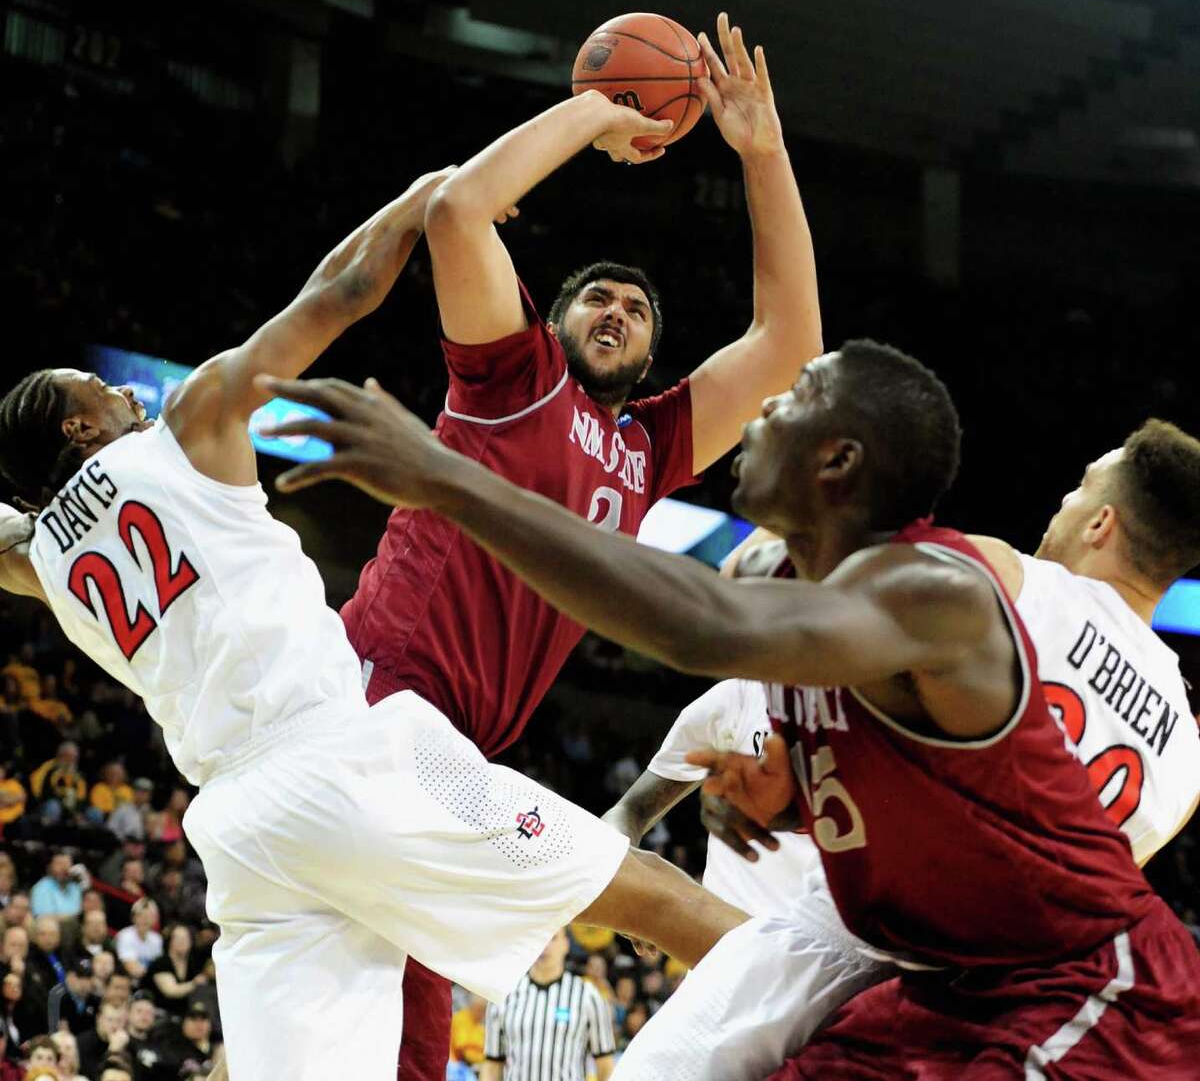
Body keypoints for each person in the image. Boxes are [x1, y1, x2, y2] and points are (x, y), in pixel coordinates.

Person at [261, 347, 1200, 1078]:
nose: (761, 412)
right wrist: (810, 790)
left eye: (790, 403)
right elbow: (997, 832)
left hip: (1031, 995)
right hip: (938, 982)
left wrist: (449, 478)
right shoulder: (1184, 753)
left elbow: (706, 624)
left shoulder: (972, 581)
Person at [0, 168, 745, 1080]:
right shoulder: (185, 428)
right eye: (96, 389)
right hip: (348, 752)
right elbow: (344, 287)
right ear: (79, 427)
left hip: (238, 834)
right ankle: (863, 1037)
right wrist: (432, 194)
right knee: (656, 897)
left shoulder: (37, 562)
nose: (123, 394)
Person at [339, 14, 820, 1080]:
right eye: (596, 295)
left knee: (403, 1037)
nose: (617, 309)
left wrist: (763, 152)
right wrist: (603, 112)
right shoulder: (512, 376)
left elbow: (790, 347)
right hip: (380, 699)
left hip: (453, 738)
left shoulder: (649, 445)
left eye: (638, 306)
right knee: (670, 907)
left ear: (654, 348)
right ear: (549, 318)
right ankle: (875, 1043)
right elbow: (459, 206)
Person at [603, 475, 1200, 1080]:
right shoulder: (1185, 757)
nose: (1060, 501)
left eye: (1077, 488)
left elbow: (776, 597)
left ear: (1100, 522)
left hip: (838, 939)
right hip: (949, 1016)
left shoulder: (1009, 579)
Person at [481, 930, 615, 1081]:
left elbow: (605, 1066)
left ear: (566, 944)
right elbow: (492, 1065)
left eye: (552, 938)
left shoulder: (588, 996)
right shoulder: (504, 995)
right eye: (538, 938)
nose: (544, 946)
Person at [29, 742, 86, 823]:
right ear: (60, 755)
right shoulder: (48, 768)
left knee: (93, 813)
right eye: (67, 756)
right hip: (45, 806)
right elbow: (43, 793)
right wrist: (69, 811)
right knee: (53, 806)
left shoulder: (77, 774)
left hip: (70, 810)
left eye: (73, 757)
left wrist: (77, 812)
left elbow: (81, 796)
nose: (70, 760)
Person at [113, 900, 161, 983]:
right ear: (133, 918)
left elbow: (159, 967)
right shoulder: (125, 936)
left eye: (148, 916)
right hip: (127, 981)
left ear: (154, 919)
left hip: (148, 981)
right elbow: (132, 970)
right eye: (140, 916)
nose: (144, 920)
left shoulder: (157, 939)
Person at [30, 854, 85, 923]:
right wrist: (71, 917)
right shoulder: (41, 887)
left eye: (67, 864)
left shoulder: (75, 888)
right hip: (50, 929)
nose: (64, 868)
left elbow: (80, 914)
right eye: (59, 864)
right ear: (50, 867)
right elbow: (43, 918)